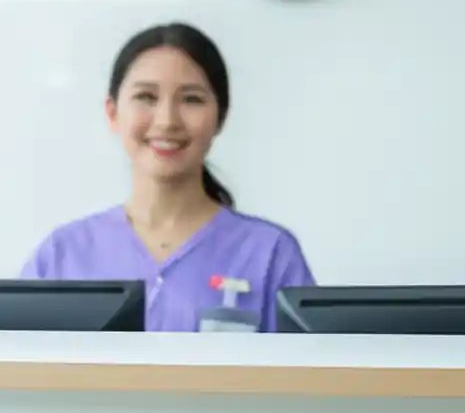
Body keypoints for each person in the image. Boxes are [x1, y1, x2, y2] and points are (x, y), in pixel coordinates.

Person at [19, 22, 315, 332]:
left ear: (220, 118)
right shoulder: (63, 255)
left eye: (191, 99)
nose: (166, 120)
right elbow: (18, 368)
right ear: (113, 113)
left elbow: (310, 374)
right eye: (146, 96)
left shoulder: (270, 254)